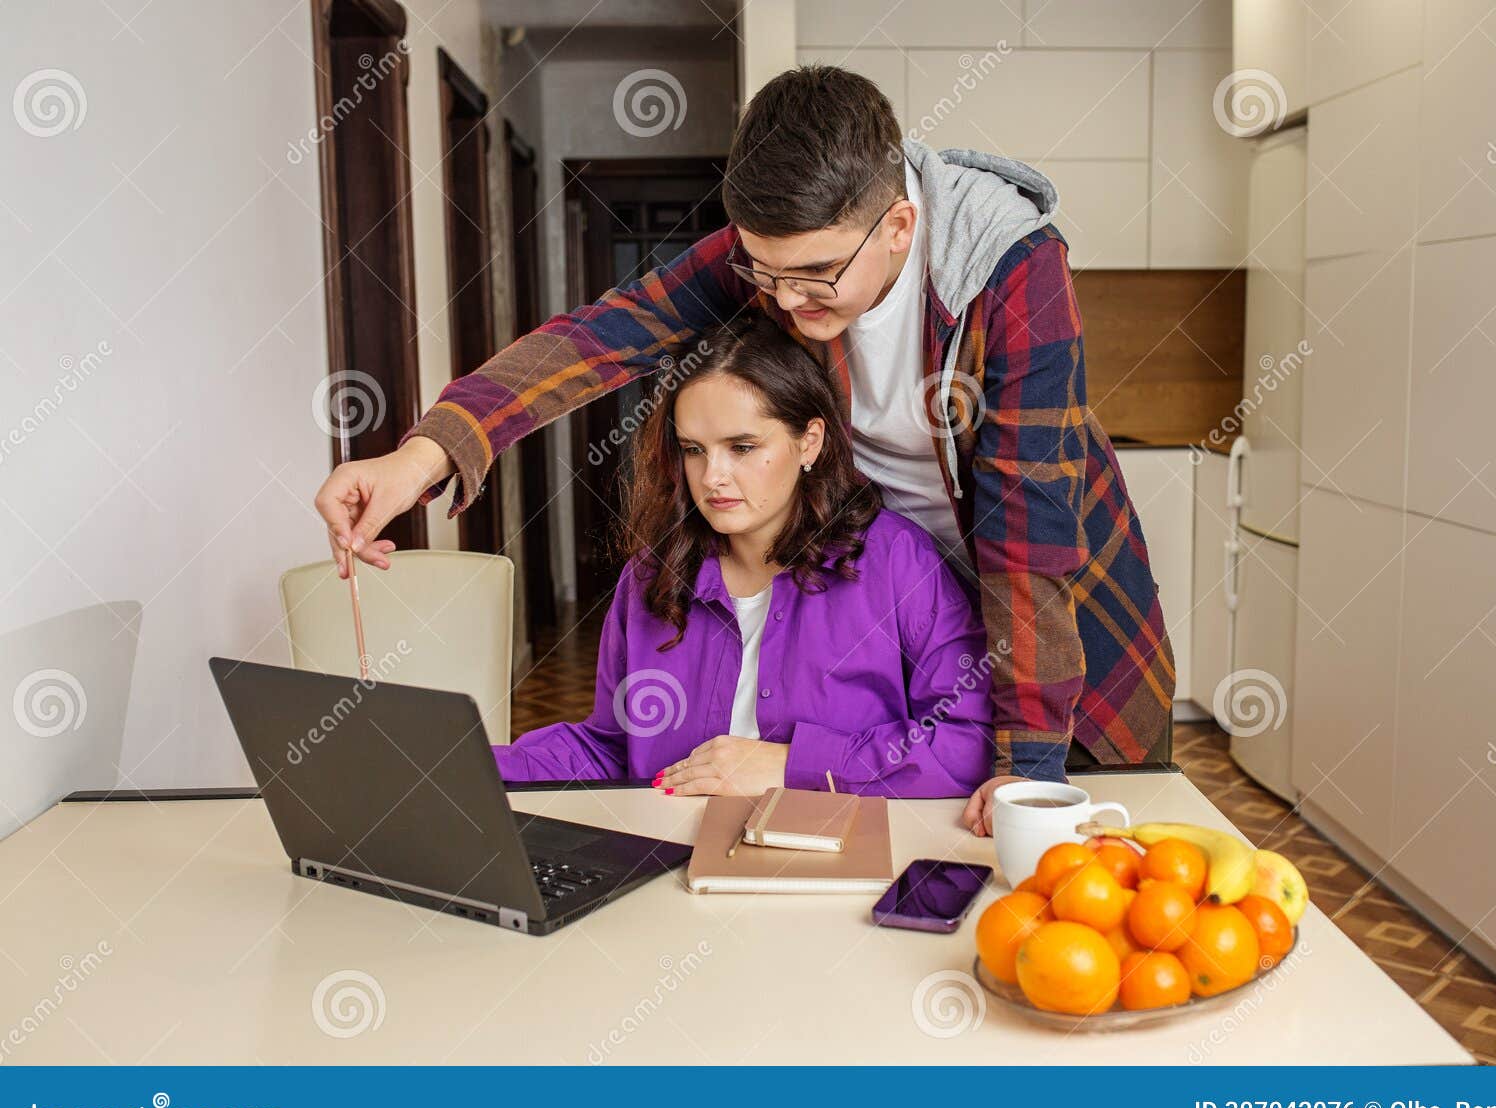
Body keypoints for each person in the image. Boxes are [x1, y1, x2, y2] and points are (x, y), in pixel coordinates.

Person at [313, 66, 1175, 830]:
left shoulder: (1011, 266)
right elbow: (598, 339)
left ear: (900, 227)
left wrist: (1026, 764)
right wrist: (426, 453)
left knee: (1069, 881)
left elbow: (1028, 527)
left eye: (817, 277)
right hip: (900, 588)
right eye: (766, 276)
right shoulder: (780, 249)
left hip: (1057, 630)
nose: (790, 303)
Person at [493, 316, 993, 798]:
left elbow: (963, 747)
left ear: (809, 442)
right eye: (694, 449)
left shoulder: (899, 564)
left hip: (834, 865)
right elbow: (611, 748)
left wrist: (788, 764)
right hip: (672, 860)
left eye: (743, 447)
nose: (712, 477)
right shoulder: (651, 574)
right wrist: (466, 764)